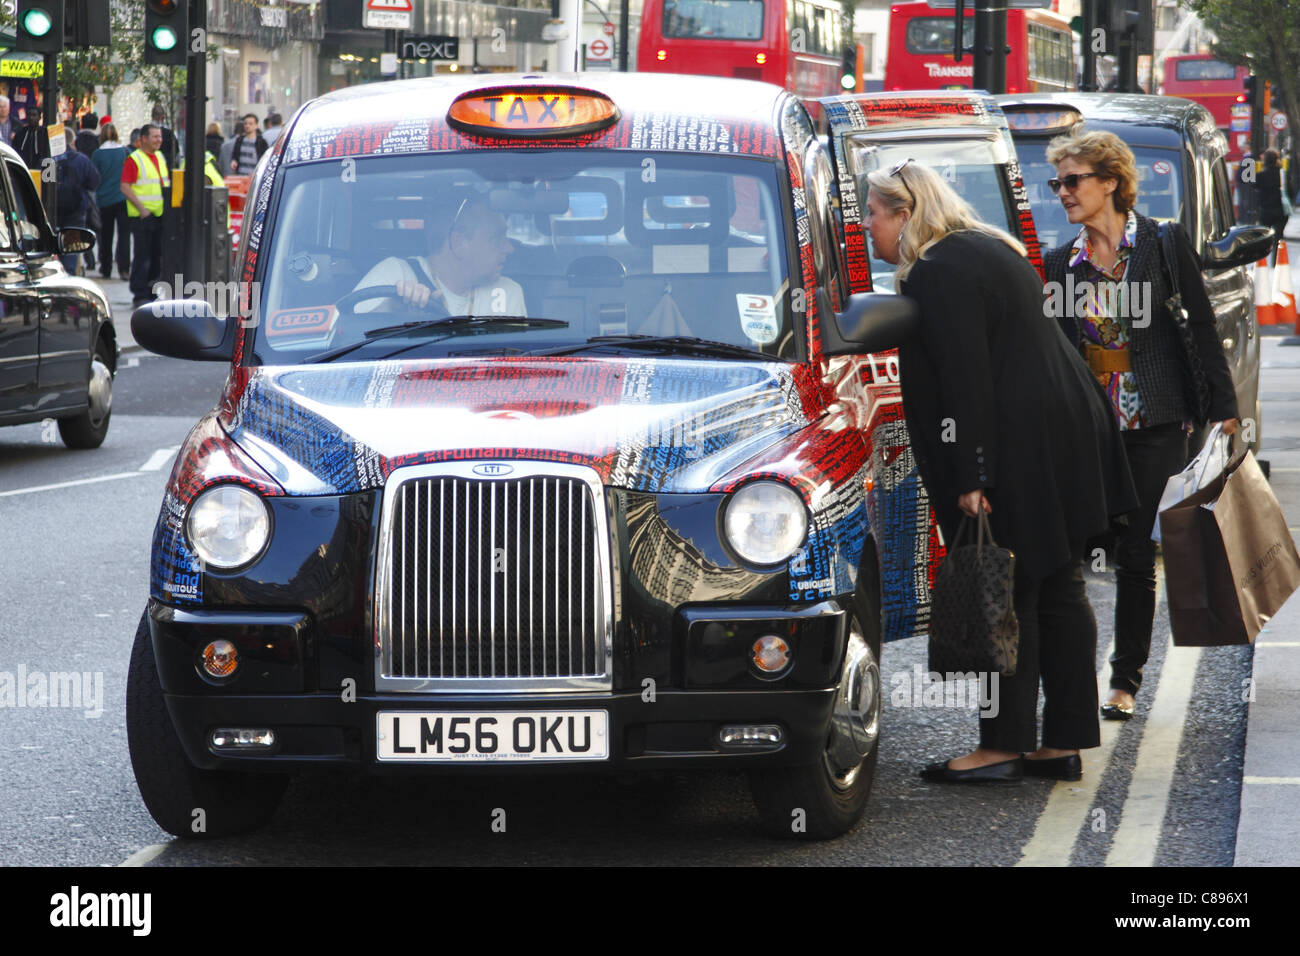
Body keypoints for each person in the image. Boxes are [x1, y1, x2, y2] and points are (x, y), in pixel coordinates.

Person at [863, 159, 1138, 783]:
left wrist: (973, 474)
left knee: (1003, 590)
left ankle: (1002, 746)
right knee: (1055, 585)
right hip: (1067, 432)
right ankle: (1060, 742)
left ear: (905, 214)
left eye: (874, 214)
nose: (867, 226)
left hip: (1017, 445)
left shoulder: (936, 271)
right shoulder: (989, 246)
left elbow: (967, 378)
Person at [1042, 128, 1239, 721]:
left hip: (1156, 416)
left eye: (1073, 181)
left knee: (1134, 553)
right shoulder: (1059, 263)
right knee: (1071, 551)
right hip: (1088, 427)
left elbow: (1200, 328)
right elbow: (1053, 353)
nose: (1064, 193)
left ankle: (1124, 678)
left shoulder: (1162, 245)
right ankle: (1067, 682)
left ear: (1110, 182)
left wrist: (1224, 410)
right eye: (1058, 183)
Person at [352, 198, 525, 317]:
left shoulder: (507, 292)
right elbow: (343, 335)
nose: (509, 248)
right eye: (496, 239)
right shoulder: (396, 275)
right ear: (459, 242)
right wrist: (389, 310)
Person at [121, 124, 170, 307]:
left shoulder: (159, 156)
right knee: (143, 257)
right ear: (143, 139)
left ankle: (152, 291)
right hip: (142, 216)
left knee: (156, 256)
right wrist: (142, 209)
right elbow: (125, 187)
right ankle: (139, 294)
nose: (159, 140)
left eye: (160, 136)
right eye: (155, 136)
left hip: (158, 214)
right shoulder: (135, 159)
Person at [53, 129, 101, 274]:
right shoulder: (82, 160)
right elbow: (94, 182)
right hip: (76, 211)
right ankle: (69, 274)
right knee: (72, 247)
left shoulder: (49, 160)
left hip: (53, 210)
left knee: (53, 245)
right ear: (73, 141)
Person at [92, 123, 131, 280]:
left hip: (104, 199)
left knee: (106, 236)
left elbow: (94, 177)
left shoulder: (97, 154)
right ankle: (124, 268)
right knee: (124, 235)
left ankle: (106, 267)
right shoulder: (124, 152)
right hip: (123, 198)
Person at [1257, 148, 1288, 258]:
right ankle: (1276, 262)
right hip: (1281, 210)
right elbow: (1291, 190)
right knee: (1279, 238)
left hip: (1265, 210)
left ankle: (1261, 261)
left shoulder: (1261, 175)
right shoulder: (1282, 174)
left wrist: (1250, 163)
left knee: (1263, 238)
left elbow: (1250, 183)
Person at [1235, 151, 1258, 224]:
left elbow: (1238, 176)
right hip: (1247, 185)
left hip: (1243, 185)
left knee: (1243, 202)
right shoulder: (1251, 160)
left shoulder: (1245, 160)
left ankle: (1243, 219)